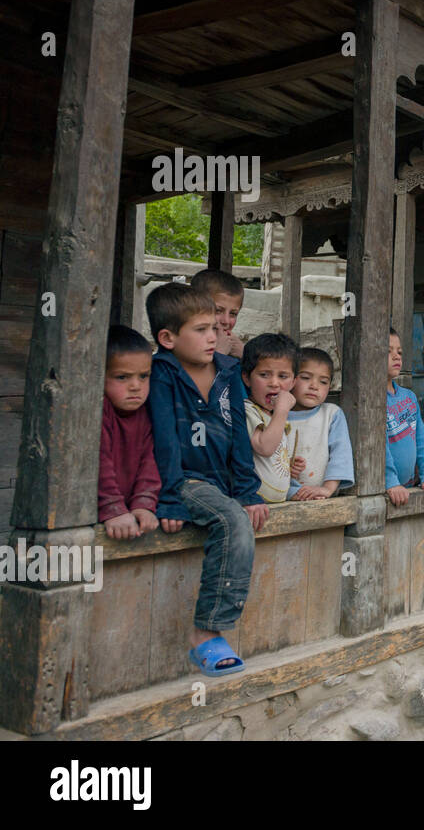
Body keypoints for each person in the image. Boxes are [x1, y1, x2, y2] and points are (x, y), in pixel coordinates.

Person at [146, 283, 266, 677]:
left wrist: (247, 491)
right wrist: (169, 500)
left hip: (222, 481)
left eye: (215, 327)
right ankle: (205, 634)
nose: (214, 336)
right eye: (201, 329)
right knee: (233, 523)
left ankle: (209, 633)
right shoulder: (161, 374)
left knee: (241, 513)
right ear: (167, 338)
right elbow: (163, 441)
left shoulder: (229, 373)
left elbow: (237, 439)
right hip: (186, 481)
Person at [99, 325, 161, 541]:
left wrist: (144, 504)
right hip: (96, 515)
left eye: (143, 376)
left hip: (126, 515)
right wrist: (112, 508)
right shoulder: (98, 411)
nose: (136, 386)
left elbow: (149, 462)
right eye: (122, 377)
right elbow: (97, 463)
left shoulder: (145, 412)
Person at [241, 333, 302, 504]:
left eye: (283, 376)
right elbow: (264, 447)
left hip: (278, 506)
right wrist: (282, 410)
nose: (274, 383)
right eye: (264, 375)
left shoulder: (276, 416)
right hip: (254, 504)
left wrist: (289, 467)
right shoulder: (249, 410)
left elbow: (272, 458)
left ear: (293, 382)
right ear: (246, 378)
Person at [287, 348, 354, 500]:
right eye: (305, 378)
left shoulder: (331, 414)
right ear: (290, 379)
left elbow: (340, 454)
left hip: (323, 496)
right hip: (285, 494)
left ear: (330, 386)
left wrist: (327, 489)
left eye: (323, 381)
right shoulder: (278, 415)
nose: (314, 386)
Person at [385, 328, 424, 506]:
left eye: (399, 352)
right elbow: (377, 446)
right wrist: (390, 481)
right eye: (388, 351)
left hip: (409, 488)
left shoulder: (408, 396)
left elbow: (421, 440)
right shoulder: (370, 401)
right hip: (384, 490)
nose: (397, 356)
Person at [190, 268, 246, 364]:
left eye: (233, 314)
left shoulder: (236, 352)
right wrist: (219, 356)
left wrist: (246, 356)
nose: (226, 321)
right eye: (218, 311)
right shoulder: (184, 348)